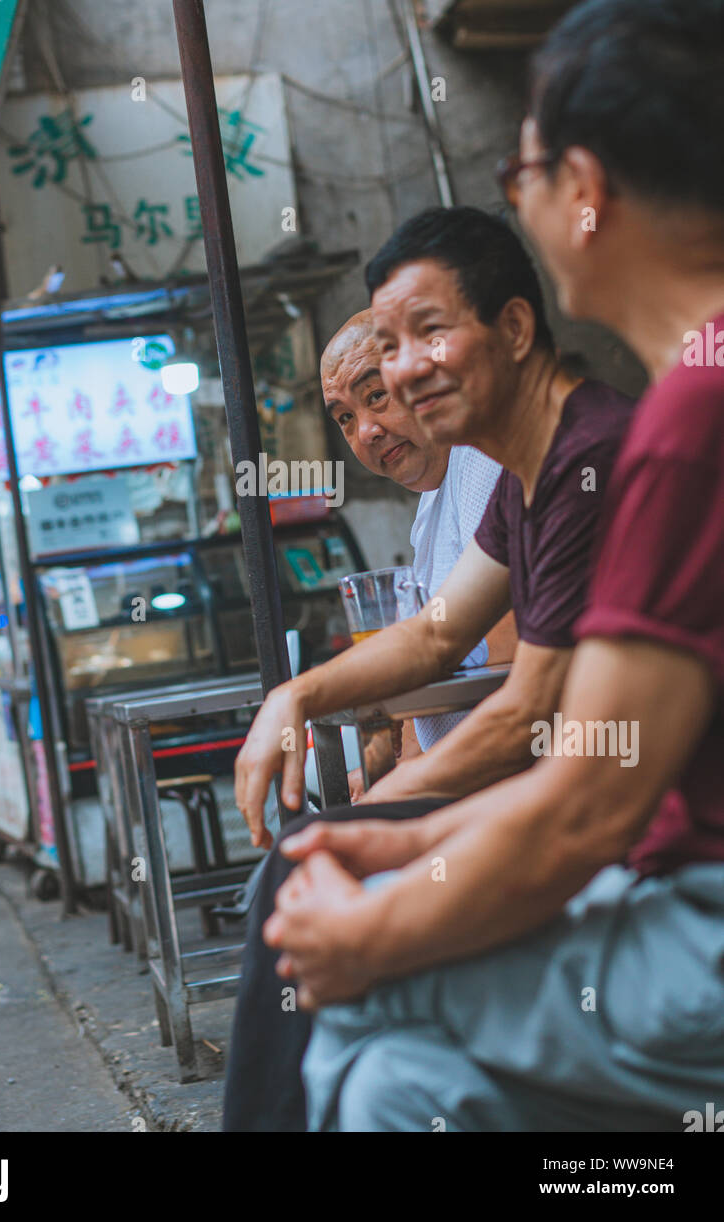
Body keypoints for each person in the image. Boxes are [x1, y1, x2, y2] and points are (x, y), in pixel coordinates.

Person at [267, 0, 724, 1132]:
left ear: (583, 190)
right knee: (393, 1085)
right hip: (657, 880)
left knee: (357, 1007)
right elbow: (439, 637)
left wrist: (371, 917)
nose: (403, 381)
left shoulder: (665, 431)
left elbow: (581, 793)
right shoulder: (670, 406)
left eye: (523, 174)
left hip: (692, 919)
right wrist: (363, 818)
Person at [225, 206, 635, 1131]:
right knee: (369, 1068)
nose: (407, 376)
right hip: (555, 806)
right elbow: (434, 637)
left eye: (427, 336)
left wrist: (372, 814)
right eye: (391, 354)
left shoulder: (587, 458)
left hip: (626, 844)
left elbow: (528, 705)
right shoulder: (525, 471)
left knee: (300, 891)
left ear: (517, 327)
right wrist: (295, 695)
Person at [320, 309, 504, 786]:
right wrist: (394, 770)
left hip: (504, 781)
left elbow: (511, 654)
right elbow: (428, 682)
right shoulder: (430, 504)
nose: (366, 432)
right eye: (345, 417)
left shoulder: (484, 457)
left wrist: (416, 783)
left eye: (376, 396)